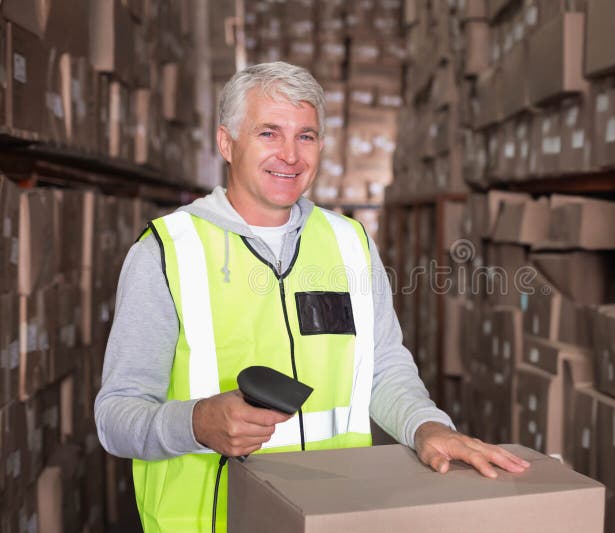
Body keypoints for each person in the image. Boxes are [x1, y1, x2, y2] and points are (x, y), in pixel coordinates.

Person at [94, 61, 529, 532]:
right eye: (268, 133)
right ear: (226, 142)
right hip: (212, 521)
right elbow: (116, 416)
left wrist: (427, 426)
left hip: (333, 515)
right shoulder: (166, 250)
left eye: (306, 136)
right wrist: (196, 424)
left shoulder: (349, 243)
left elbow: (382, 365)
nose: (291, 155)